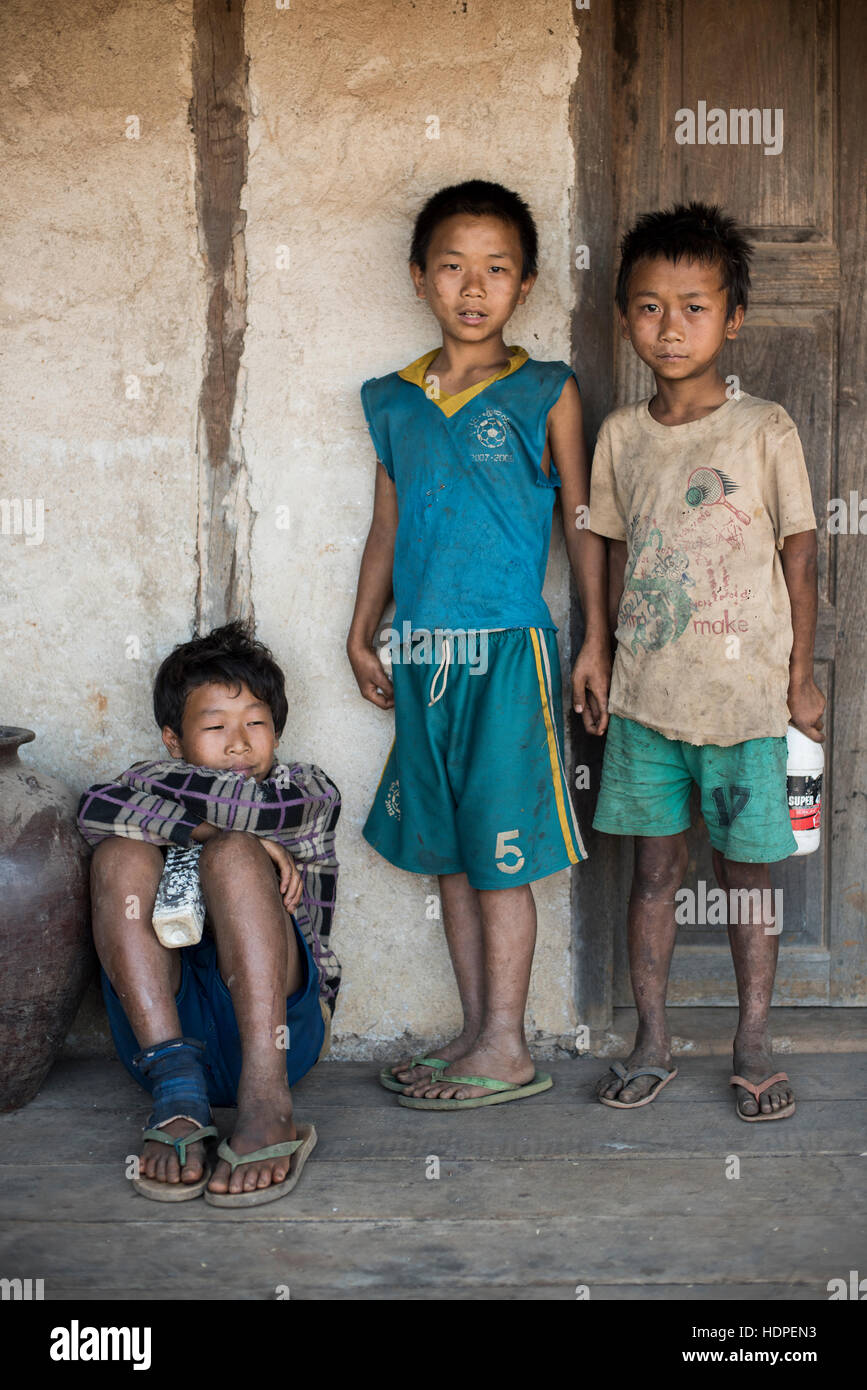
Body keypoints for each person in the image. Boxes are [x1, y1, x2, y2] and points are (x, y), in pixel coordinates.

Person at [347, 179, 610, 1110]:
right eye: (452, 266)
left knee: (500, 850)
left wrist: (593, 642)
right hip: (421, 656)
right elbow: (386, 525)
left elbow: (581, 521)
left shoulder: (546, 391)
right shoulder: (391, 400)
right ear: (419, 278)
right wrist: (361, 625)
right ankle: (475, 1031)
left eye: (495, 268)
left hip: (508, 654)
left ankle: (509, 1043)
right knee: (455, 850)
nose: (473, 285)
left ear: (525, 285)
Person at [589, 202, 824, 1120]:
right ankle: (651, 1039)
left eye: (693, 306)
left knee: (745, 875)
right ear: (623, 317)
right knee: (653, 875)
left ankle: (751, 1039)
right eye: (648, 307)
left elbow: (799, 549)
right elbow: (608, 552)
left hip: (744, 703)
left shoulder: (763, 428)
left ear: (731, 319)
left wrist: (800, 677)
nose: (670, 325)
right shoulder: (620, 435)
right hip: (647, 698)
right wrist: (598, 656)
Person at [77, 620, 340, 1201]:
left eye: (257, 724)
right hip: (162, 1034)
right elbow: (94, 809)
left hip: (279, 1036)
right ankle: (178, 1093)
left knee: (236, 853)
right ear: (173, 740)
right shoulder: (144, 782)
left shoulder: (306, 790)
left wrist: (203, 832)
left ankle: (268, 1102)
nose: (240, 743)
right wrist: (199, 828)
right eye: (216, 726)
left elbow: (256, 814)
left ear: (278, 731)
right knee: (120, 852)